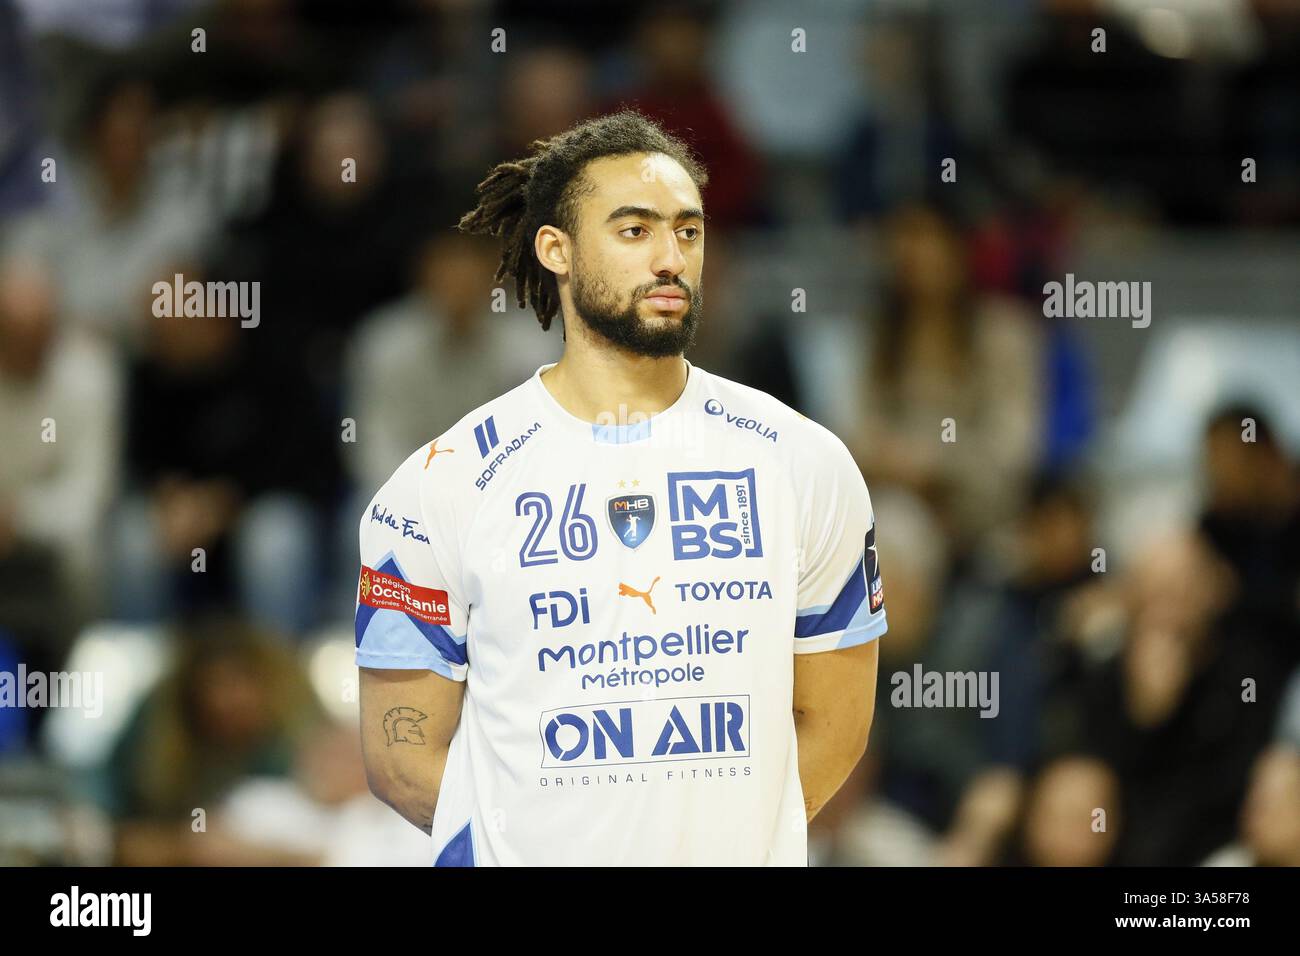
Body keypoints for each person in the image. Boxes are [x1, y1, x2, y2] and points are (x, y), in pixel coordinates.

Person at [354, 110, 887, 866]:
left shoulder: (803, 463)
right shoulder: (442, 485)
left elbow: (835, 725)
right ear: (556, 250)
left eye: (689, 231)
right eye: (634, 231)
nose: (671, 257)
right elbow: (401, 758)